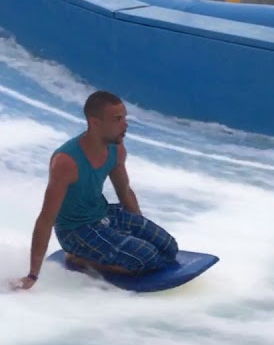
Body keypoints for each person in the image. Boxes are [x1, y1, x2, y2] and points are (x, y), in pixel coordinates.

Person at [17, 91, 179, 290]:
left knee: (169, 248)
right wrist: (33, 275)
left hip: (104, 215)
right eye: (117, 119)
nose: (125, 125)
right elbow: (46, 218)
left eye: (125, 118)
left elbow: (124, 191)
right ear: (95, 123)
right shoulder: (66, 162)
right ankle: (78, 258)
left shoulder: (116, 149)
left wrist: (139, 233)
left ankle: (127, 250)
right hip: (76, 229)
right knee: (147, 259)